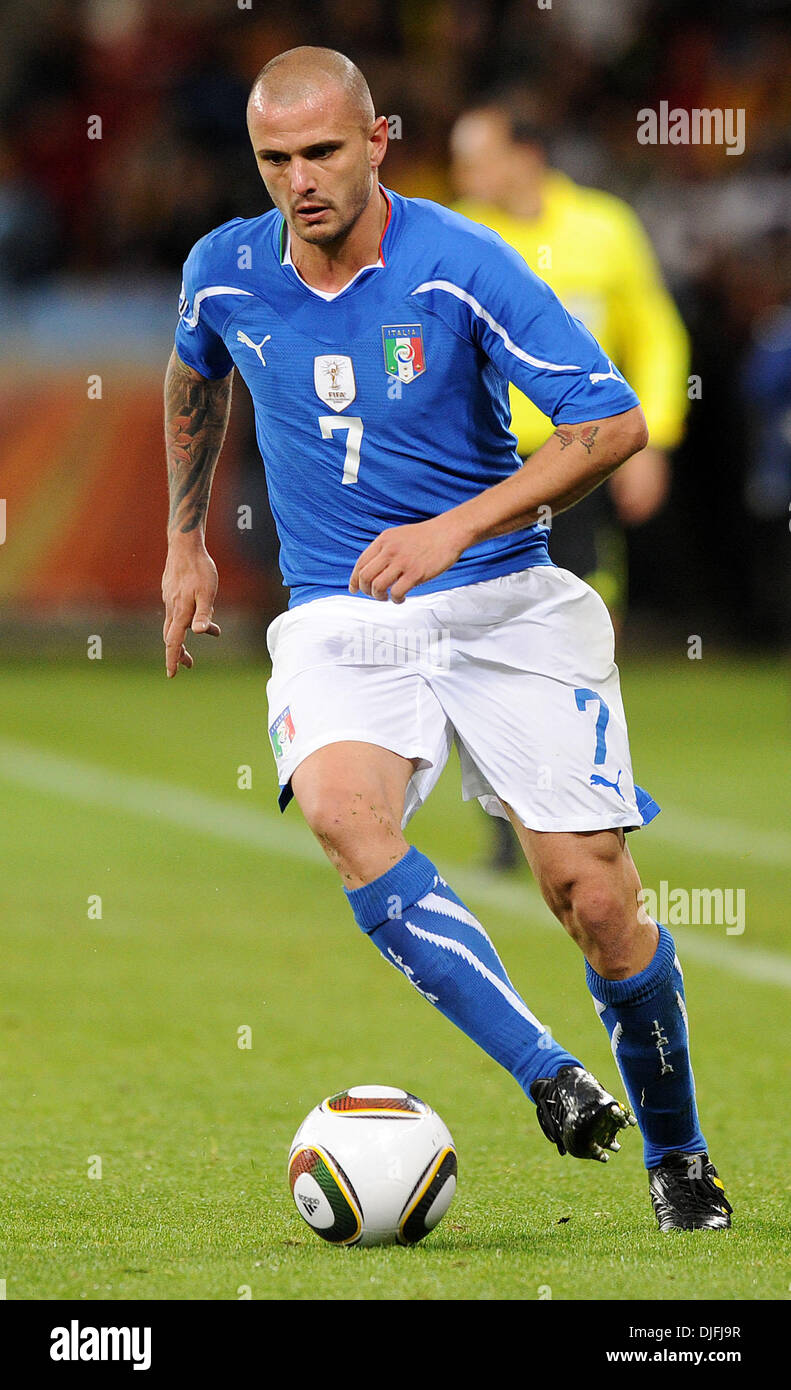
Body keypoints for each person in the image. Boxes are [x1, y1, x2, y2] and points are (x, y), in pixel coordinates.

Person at [161, 46, 731, 1232]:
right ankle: (546, 1072)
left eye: (322, 151)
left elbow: (610, 422)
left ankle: (677, 1158)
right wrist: (185, 540)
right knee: (342, 816)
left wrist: (450, 529)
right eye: (275, 159)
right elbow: (192, 377)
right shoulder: (223, 271)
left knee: (592, 895)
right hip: (338, 613)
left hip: (500, 600)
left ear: (378, 140)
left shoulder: (462, 266)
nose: (299, 180)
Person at [450, 96, 691, 869]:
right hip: (482, 468)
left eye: (476, 155)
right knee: (477, 630)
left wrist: (652, 435)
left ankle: (585, 789)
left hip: (575, 467)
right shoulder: (456, 235)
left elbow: (652, 329)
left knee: (584, 624)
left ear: (525, 153)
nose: (464, 174)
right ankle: (503, 812)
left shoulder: (603, 228)